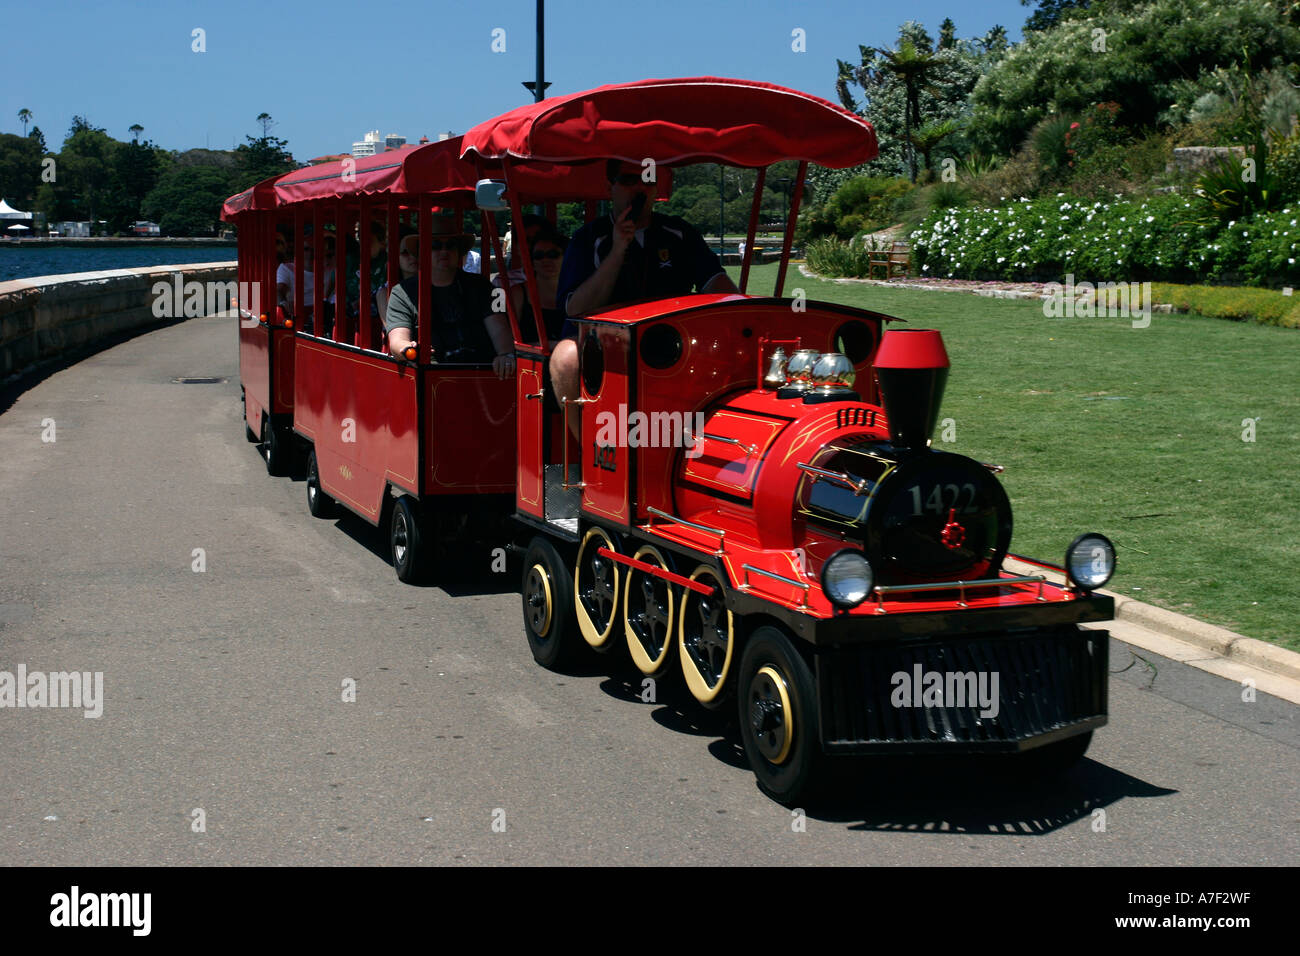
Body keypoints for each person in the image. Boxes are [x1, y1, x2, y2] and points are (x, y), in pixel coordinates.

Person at [551, 159, 739, 431]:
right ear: (609, 187)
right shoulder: (588, 238)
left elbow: (717, 286)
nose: (639, 187)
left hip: (672, 340)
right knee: (566, 357)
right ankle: (587, 451)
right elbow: (575, 309)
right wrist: (617, 250)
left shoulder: (679, 233)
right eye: (628, 180)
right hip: (603, 344)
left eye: (648, 180)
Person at [384, 215, 514, 379]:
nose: (444, 251)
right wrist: (409, 350)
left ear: (459, 251)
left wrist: (505, 355)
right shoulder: (401, 292)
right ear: (423, 251)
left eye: (451, 245)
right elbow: (397, 340)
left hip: (481, 373)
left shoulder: (484, 286)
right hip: (433, 377)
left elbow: (500, 327)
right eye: (435, 245)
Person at [509, 225, 569, 345]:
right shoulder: (518, 293)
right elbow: (509, 339)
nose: (545, 260)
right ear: (532, 261)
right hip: (530, 360)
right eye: (539, 256)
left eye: (553, 254)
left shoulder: (579, 292)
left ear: (567, 257)